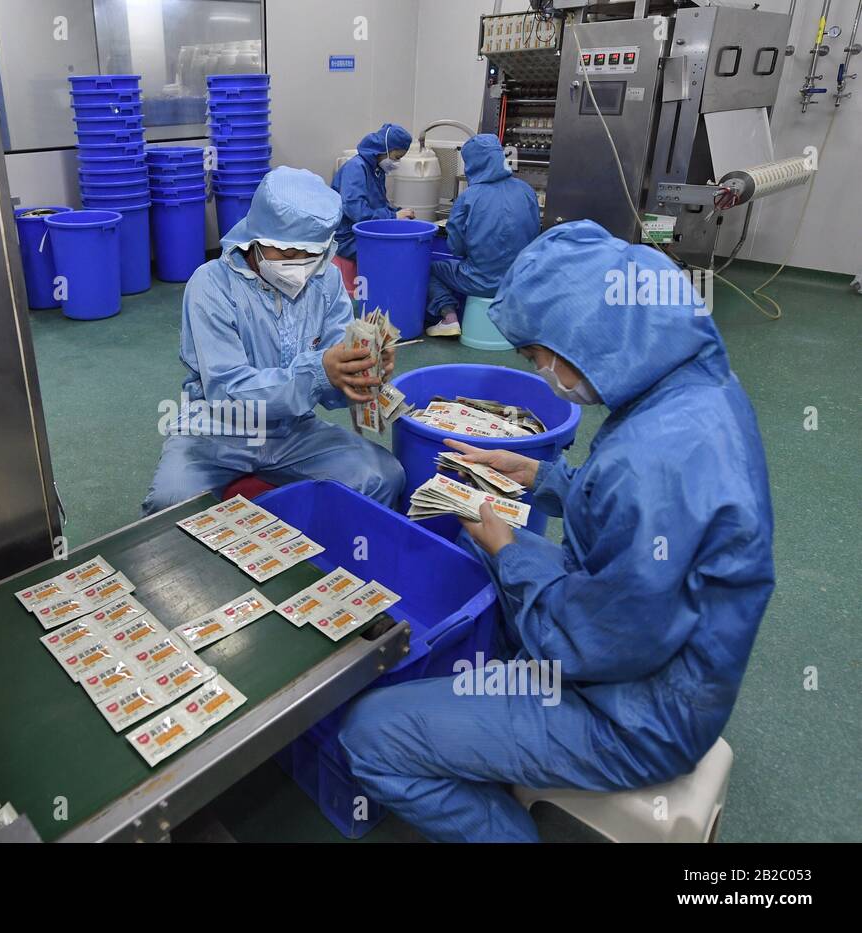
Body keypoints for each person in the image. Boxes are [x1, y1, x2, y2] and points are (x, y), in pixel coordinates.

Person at [338, 221, 776, 842]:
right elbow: (624, 510)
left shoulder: (653, 464)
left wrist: (511, 555)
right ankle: (490, 701)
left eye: (535, 355)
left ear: (581, 338)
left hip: (634, 715)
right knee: (469, 535)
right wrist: (537, 476)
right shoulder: (693, 388)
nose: (541, 370)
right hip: (647, 646)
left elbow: (585, 646)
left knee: (372, 734)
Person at [141, 167, 405, 515]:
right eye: (286, 253)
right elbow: (227, 389)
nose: (299, 266)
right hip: (216, 430)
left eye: (309, 256)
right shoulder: (210, 286)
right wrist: (319, 373)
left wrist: (361, 373)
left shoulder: (325, 282)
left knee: (382, 477)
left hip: (293, 430)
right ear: (257, 236)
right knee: (169, 505)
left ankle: (339, 557)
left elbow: (333, 376)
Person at [424, 133, 540, 338]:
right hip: (519, 281)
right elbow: (534, 236)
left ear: (473, 163)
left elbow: (456, 247)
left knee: (429, 269)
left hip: (480, 281)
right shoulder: (527, 190)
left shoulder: (469, 197)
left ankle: (449, 318)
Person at [331, 123, 416, 296]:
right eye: (396, 157)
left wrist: (398, 211)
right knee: (395, 255)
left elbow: (379, 204)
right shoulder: (356, 168)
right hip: (347, 237)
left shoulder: (376, 170)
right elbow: (355, 209)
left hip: (365, 232)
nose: (396, 162)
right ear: (384, 149)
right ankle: (382, 298)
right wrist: (393, 217)